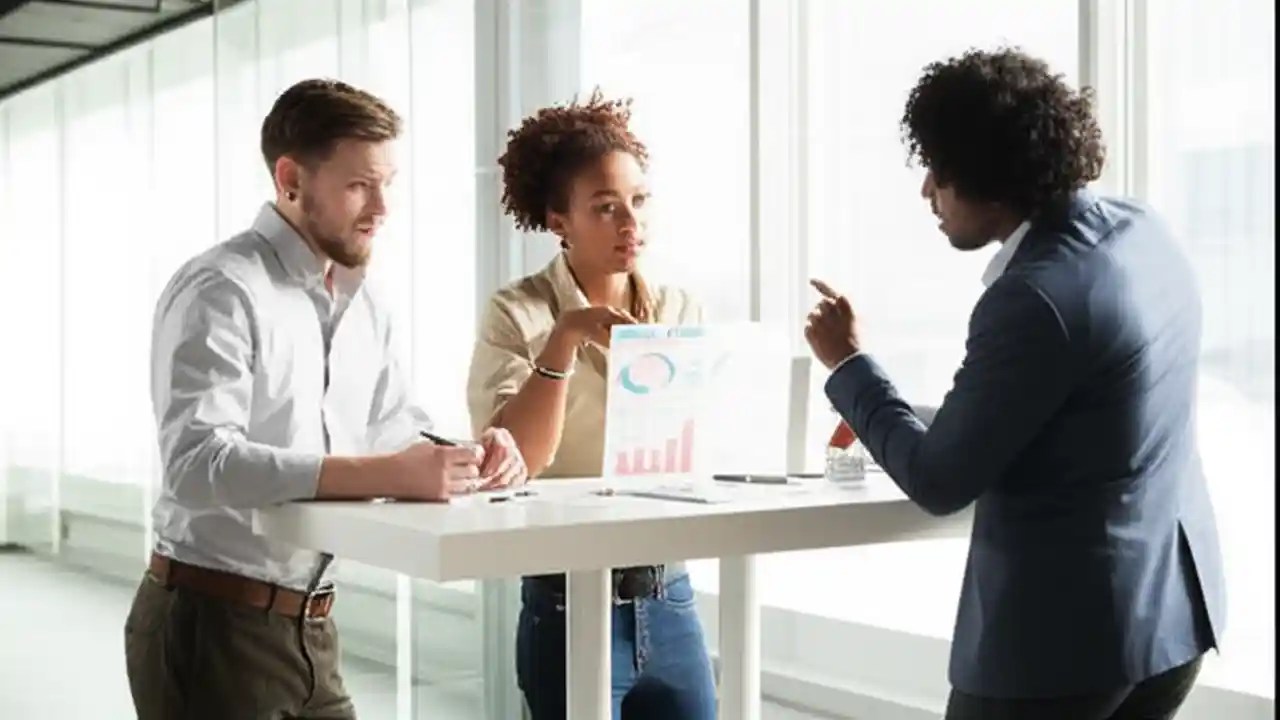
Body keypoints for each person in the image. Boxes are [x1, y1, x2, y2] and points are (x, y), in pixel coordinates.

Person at [804, 48, 1225, 720]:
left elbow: (940, 480)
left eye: (938, 175)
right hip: (1171, 622)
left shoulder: (1033, 297)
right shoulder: (1141, 230)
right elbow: (1066, 407)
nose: (927, 194)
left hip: (1064, 651)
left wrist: (848, 364)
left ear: (986, 177)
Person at [125, 78, 526, 720]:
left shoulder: (366, 303)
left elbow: (394, 429)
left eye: (388, 182)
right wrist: (388, 474)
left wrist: (466, 455)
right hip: (212, 628)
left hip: (314, 628)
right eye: (359, 185)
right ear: (290, 180)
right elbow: (196, 464)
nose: (383, 207)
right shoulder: (221, 289)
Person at [466, 91, 717, 720]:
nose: (629, 223)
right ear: (559, 220)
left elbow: (705, 443)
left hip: (671, 596)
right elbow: (513, 458)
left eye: (638, 202)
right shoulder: (516, 314)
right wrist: (566, 338)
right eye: (605, 208)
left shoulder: (681, 310)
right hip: (567, 603)